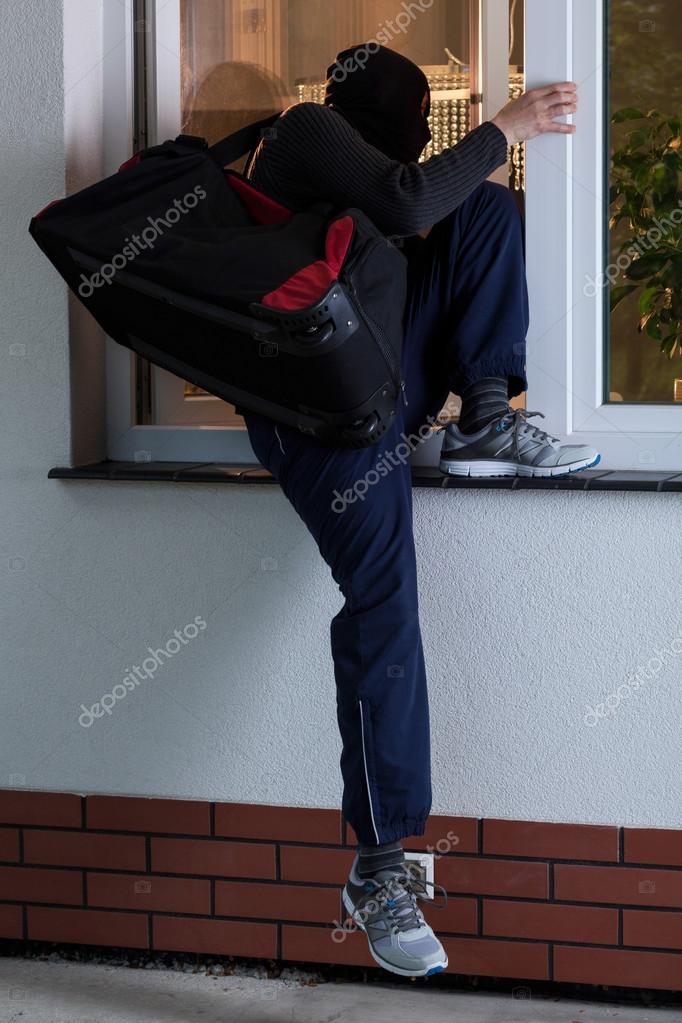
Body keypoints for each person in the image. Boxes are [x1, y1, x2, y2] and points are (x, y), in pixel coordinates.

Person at [242, 44, 598, 978]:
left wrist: (486, 161)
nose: (407, 132)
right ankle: (380, 864)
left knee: (482, 206)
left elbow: (419, 208)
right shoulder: (305, 131)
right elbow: (402, 198)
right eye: (403, 114)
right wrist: (507, 128)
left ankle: (485, 418)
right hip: (319, 420)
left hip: (379, 386)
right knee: (385, 610)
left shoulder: (360, 174)